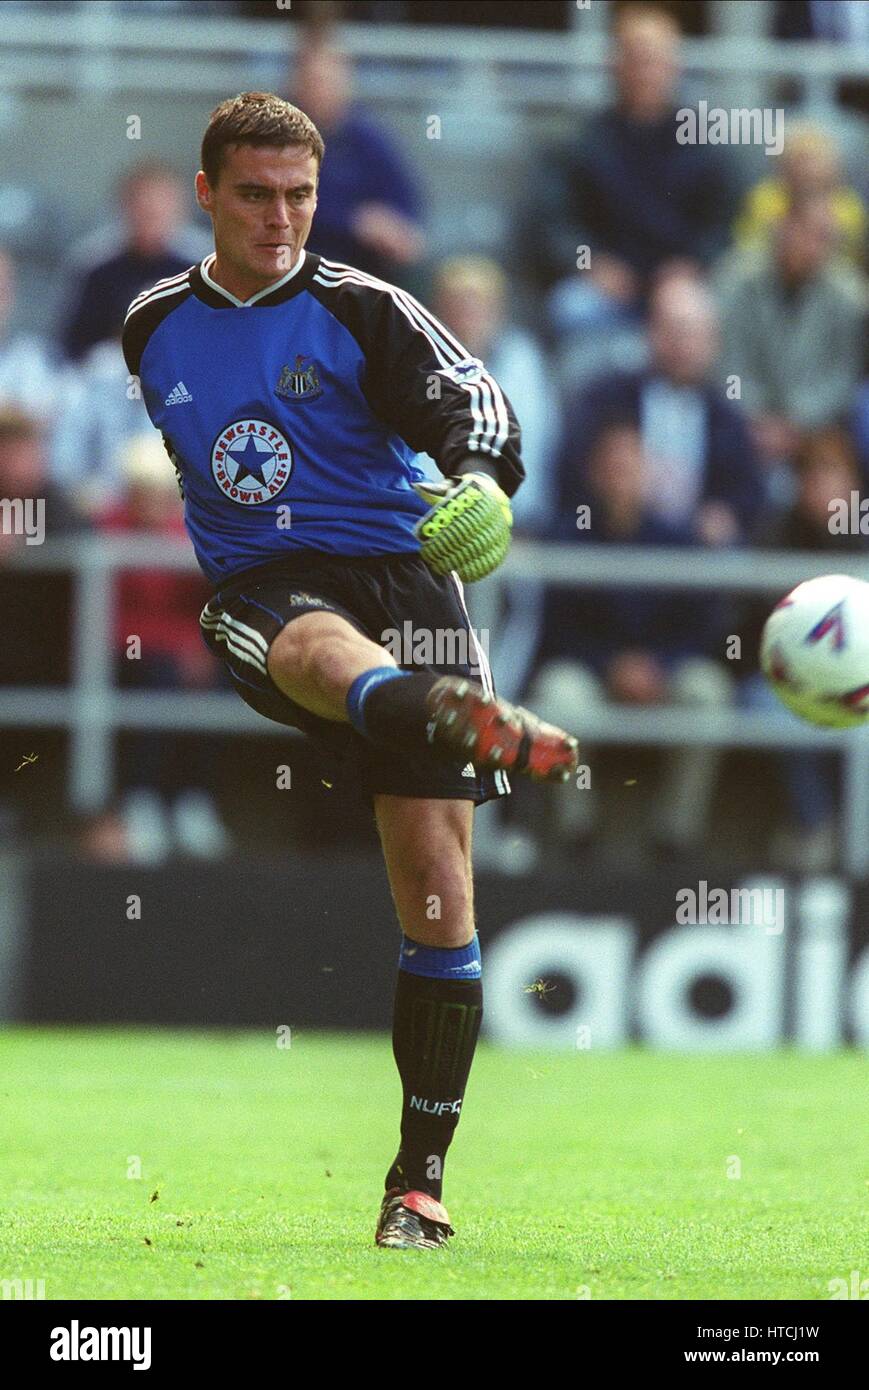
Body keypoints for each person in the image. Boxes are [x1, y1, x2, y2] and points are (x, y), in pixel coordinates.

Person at [121, 91, 578, 1253]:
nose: (282, 219)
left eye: (301, 197)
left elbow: (471, 403)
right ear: (206, 196)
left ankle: (416, 1183)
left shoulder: (361, 306)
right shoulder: (152, 325)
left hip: (405, 574)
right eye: (258, 196)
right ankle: (437, 710)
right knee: (314, 645)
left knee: (435, 890)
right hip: (267, 585)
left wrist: (476, 480)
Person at [60, 161, 194, 363]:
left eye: (158, 211)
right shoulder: (94, 265)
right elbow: (72, 345)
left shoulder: (205, 265)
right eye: (144, 210)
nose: (151, 219)